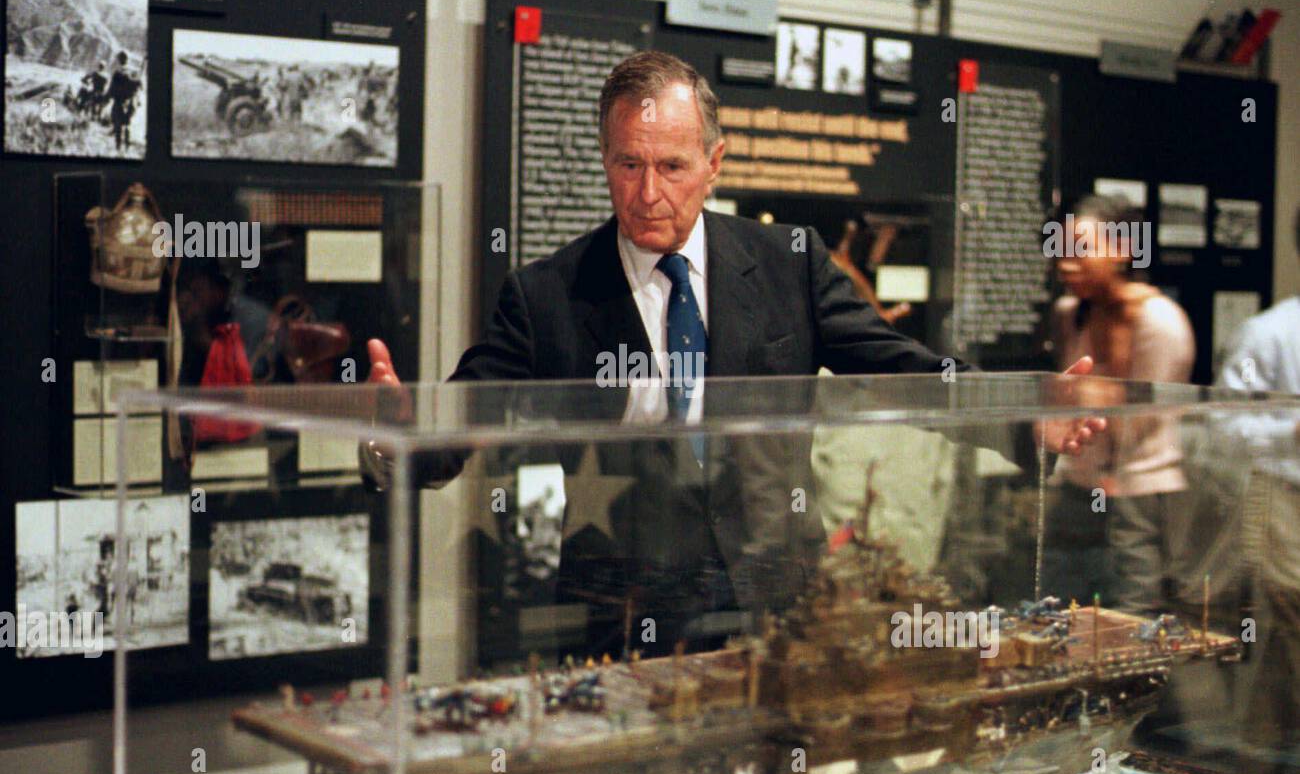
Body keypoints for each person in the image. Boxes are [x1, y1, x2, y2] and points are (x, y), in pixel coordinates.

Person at [365, 50, 1101, 653]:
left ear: (715, 162)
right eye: (628, 165)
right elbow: (461, 417)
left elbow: (896, 366)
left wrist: (1021, 416)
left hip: (776, 596)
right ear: (604, 158)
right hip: (624, 612)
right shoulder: (547, 294)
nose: (648, 192)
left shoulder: (788, 261)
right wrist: (399, 439)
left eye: (672, 167)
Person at [1043, 194, 1195, 612]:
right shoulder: (1069, 311)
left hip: (1138, 492)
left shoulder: (1159, 320)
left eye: (1082, 249)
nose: (1066, 262)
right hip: (1079, 484)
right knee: (1065, 603)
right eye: (1062, 249)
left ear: (1122, 249)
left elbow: (1146, 416)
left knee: (1134, 611)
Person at [1216, 209, 1300, 774]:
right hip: (1287, 508)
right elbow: (1224, 424)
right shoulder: (1273, 332)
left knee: (1277, 669)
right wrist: (1291, 430)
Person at [105, 52, 140, 153]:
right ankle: (127, 147)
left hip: (119, 102)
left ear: (119, 60)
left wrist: (106, 98)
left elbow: (112, 89)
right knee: (127, 124)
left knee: (118, 124)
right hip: (131, 103)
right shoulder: (134, 72)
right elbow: (139, 87)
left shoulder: (118, 73)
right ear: (127, 59)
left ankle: (118, 147)